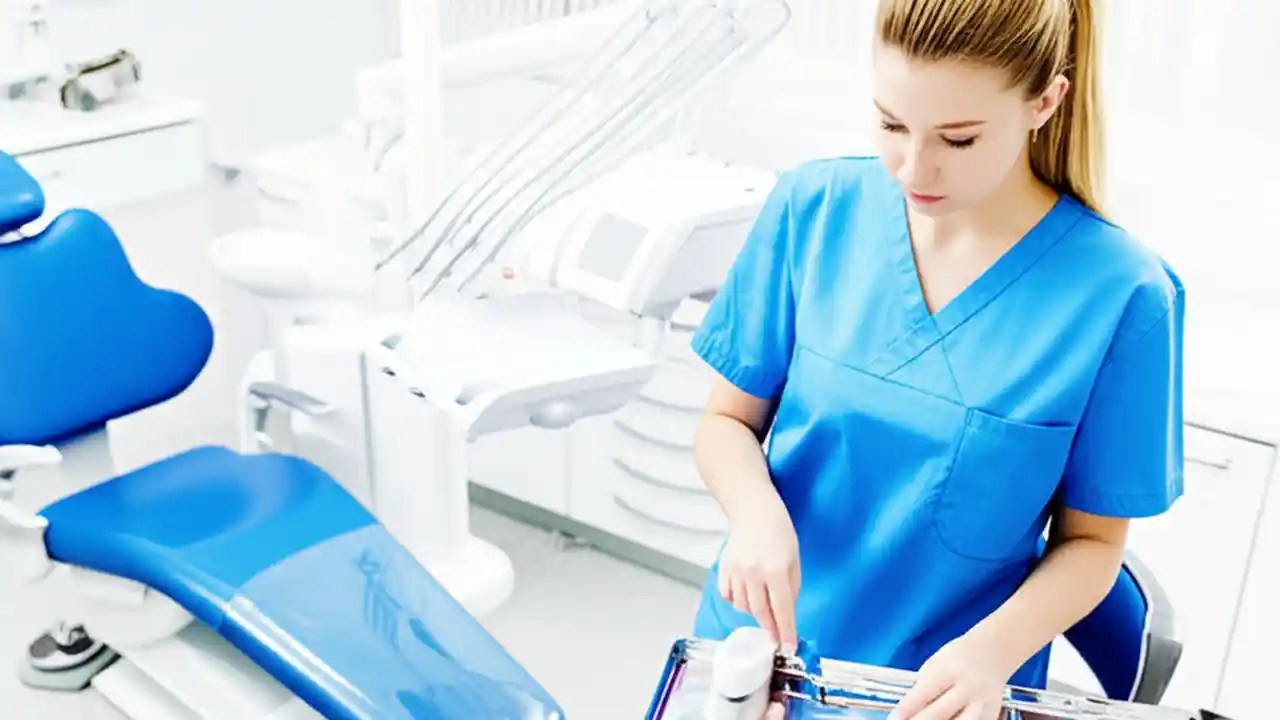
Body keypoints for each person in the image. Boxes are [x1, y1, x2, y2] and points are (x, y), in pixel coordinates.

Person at [688, 0, 1184, 718]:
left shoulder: (1123, 296)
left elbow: (1094, 547)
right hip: (754, 660)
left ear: (1045, 101)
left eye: (958, 138)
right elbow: (723, 422)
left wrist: (989, 654)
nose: (913, 168)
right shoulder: (814, 207)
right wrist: (755, 512)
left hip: (939, 690)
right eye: (891, 124)